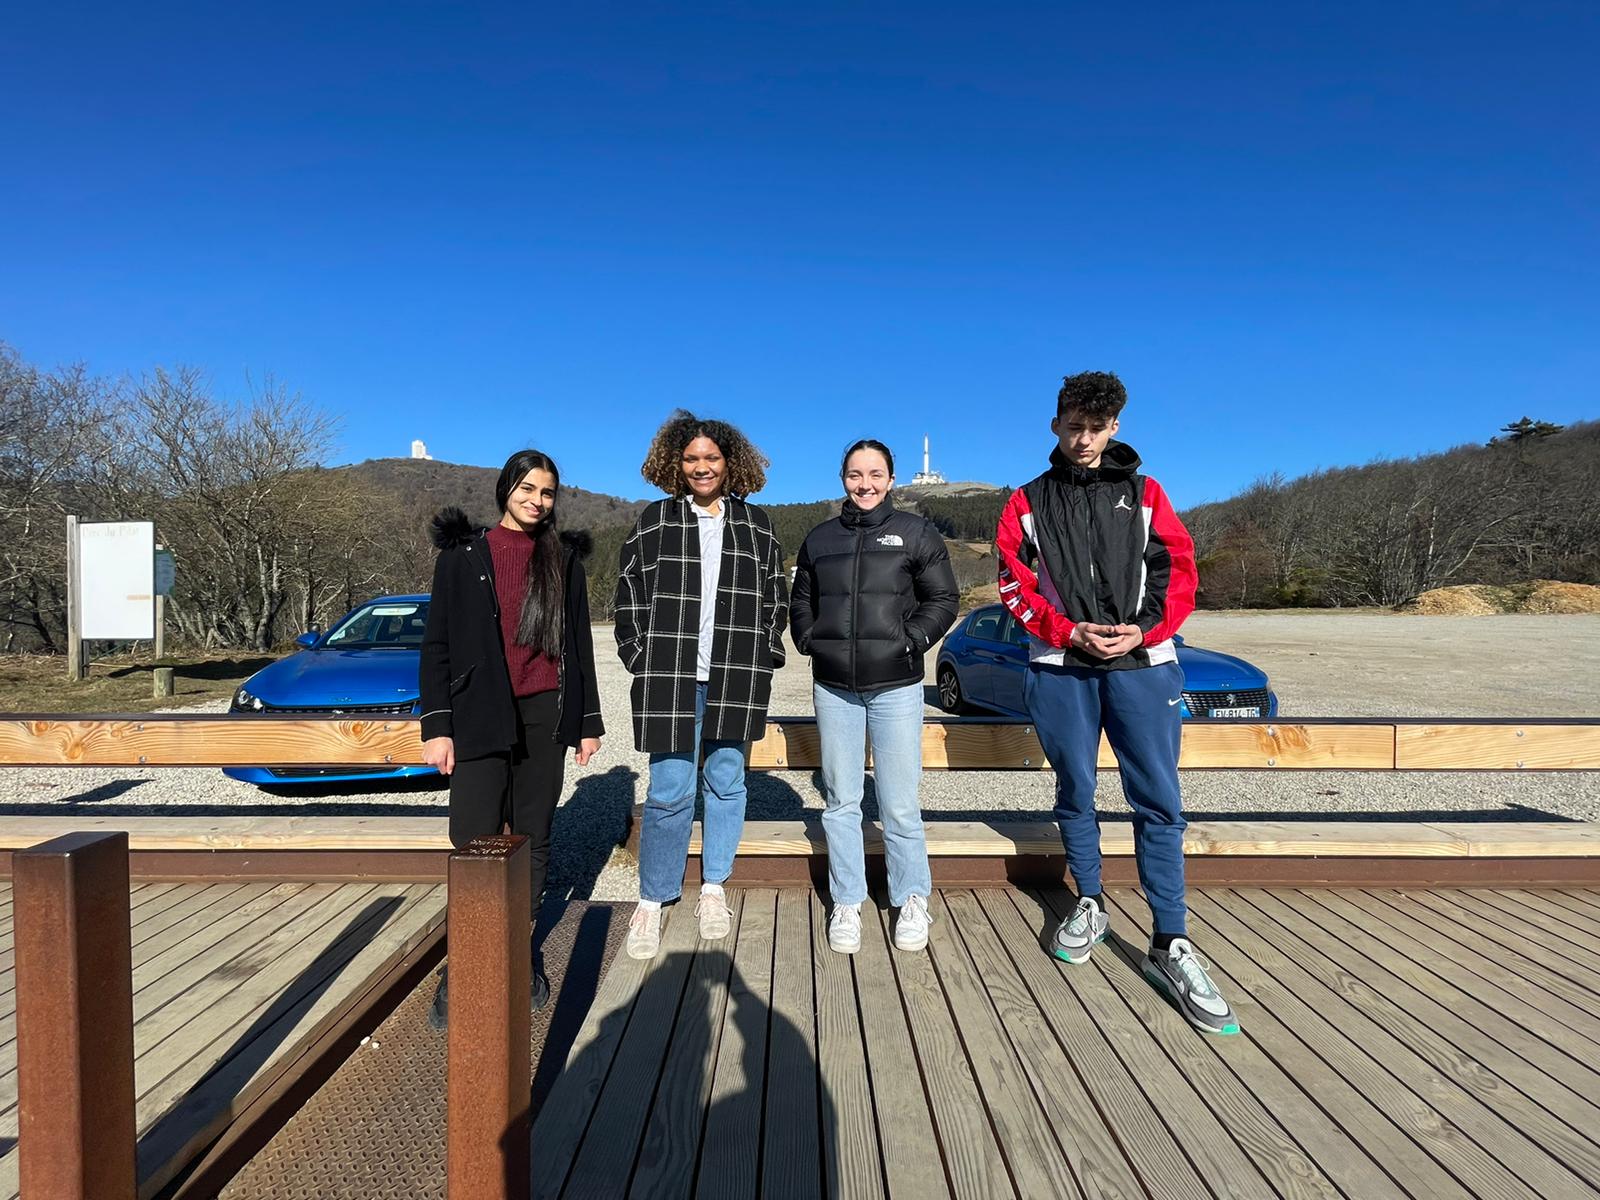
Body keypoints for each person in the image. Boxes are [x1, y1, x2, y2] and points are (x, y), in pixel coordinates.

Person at [994, 372, 1239, 1035]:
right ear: (1055, 425)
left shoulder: (1147, 494)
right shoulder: (1025, 501)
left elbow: (1179, 571)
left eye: (1095, 428)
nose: (1083, 438)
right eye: (1073, 425)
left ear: (1115, 429)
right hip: (1060, 664)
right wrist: (1066, 629)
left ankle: (1171, 940)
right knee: (1075, 791)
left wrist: (1145, 628)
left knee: (1158, 800)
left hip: (1143, 665)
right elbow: (1012, 584)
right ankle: (1091, 902)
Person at [419, 449, 604, 1028]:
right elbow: (437, 645)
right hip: (478, 712)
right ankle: (465, 963)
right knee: (471, 836)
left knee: (533, 838)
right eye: (527, 488)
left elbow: (578, 644)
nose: (536, 500)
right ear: (506, 488)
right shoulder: (463, 555)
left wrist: (587, 721)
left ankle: (519, 953)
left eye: (547, 492)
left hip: (544, 712)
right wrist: (436, 726)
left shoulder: (562, 560)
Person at [615, 411, 788, 960]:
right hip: (669, 675)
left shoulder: (756, 525)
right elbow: (627, 596)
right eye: (691, 459)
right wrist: (640, 656)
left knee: (726, 780)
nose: (701, 467)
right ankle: (653, 897)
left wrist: (765, 651)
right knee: (668, 789)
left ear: (729, 462)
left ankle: (713, 886)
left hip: (735, 672)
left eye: (711, 458)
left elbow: (776, 597)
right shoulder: (654, 521)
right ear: (675, 463)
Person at [790, 439, 958, 954]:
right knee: (841, 801)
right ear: (843, 478)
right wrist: (807, 638)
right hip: (834, 686)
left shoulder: (915, 533)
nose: (865, 484)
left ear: (891, 479)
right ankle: (847, 900)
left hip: (897, 687)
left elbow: (943, 599)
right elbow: (801, 597)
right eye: (855, 474)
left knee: (899, 802)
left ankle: (911, 897)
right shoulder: (819, 539)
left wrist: (911, 641)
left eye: (875, 474)